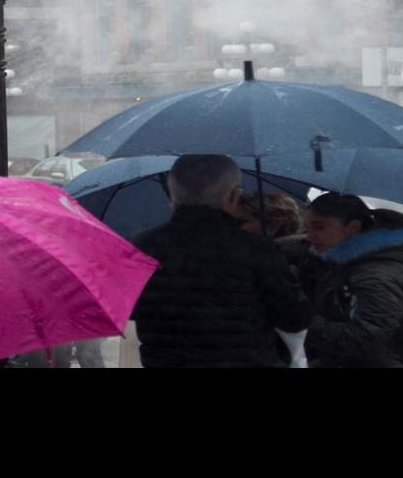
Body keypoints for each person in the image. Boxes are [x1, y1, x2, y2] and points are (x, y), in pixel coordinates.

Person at [129, 154, 312, 367]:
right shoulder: (255, 248)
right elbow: (294, 318)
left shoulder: (143, 246)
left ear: (172, 193)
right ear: (234, 195)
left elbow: (132, 309)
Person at [302, 193, 403, 368]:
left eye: (319, 227)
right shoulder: (347, 265)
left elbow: (368, 338)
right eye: (307, 228)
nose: (310, 236)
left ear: (353, 227)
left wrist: (302, 323)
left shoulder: (377, 274)